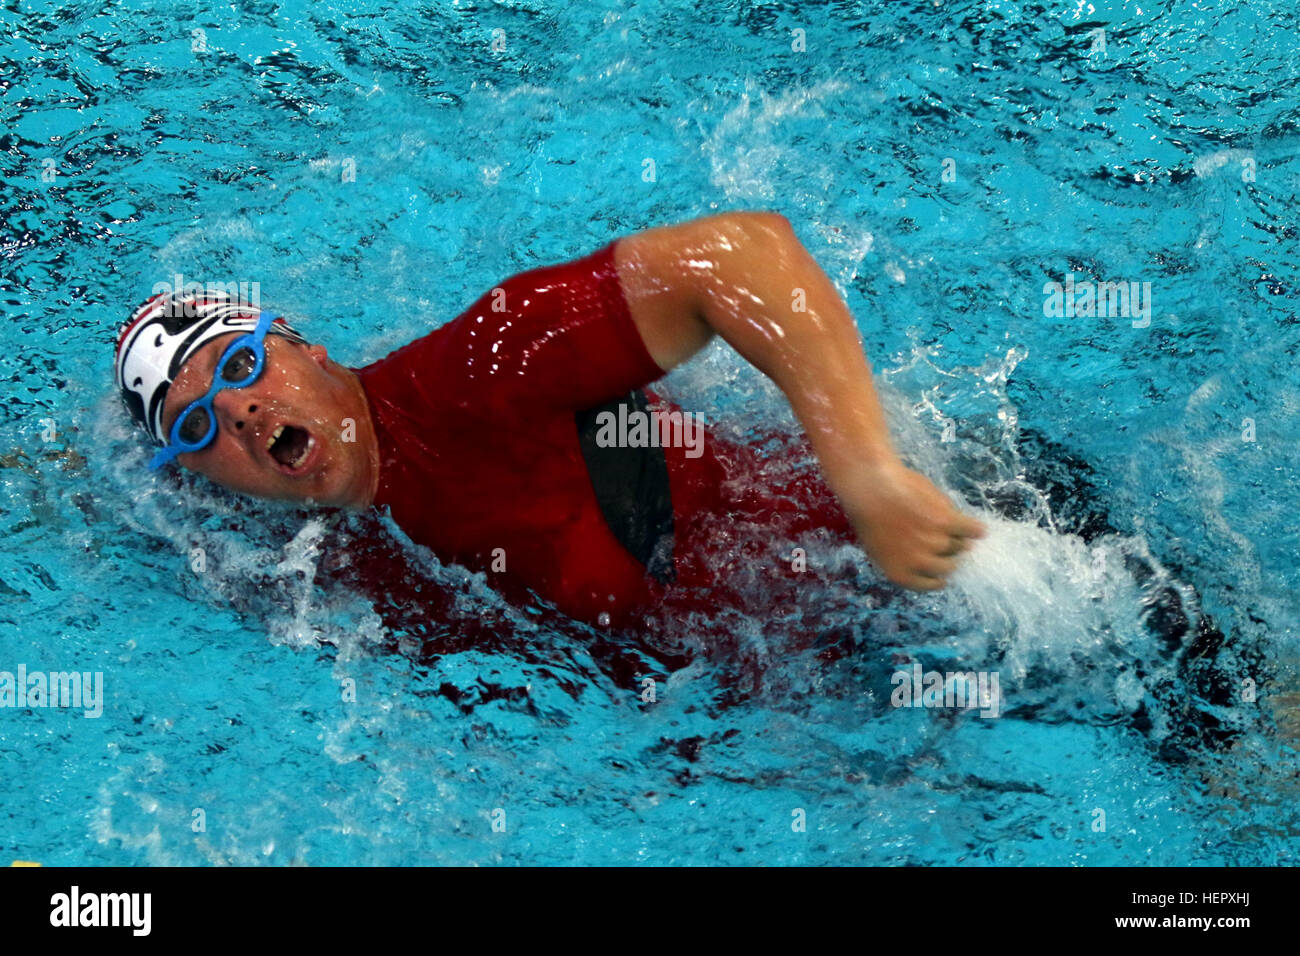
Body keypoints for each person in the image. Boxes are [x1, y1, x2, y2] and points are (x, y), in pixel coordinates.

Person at [114, 211, 985, 632]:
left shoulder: (478, 372)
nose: (239, 410)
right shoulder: (304, 561)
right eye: (197, 428)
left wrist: (867, 474)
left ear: (309, 350)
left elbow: (743, 258)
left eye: (241, 365)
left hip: (913, 576)